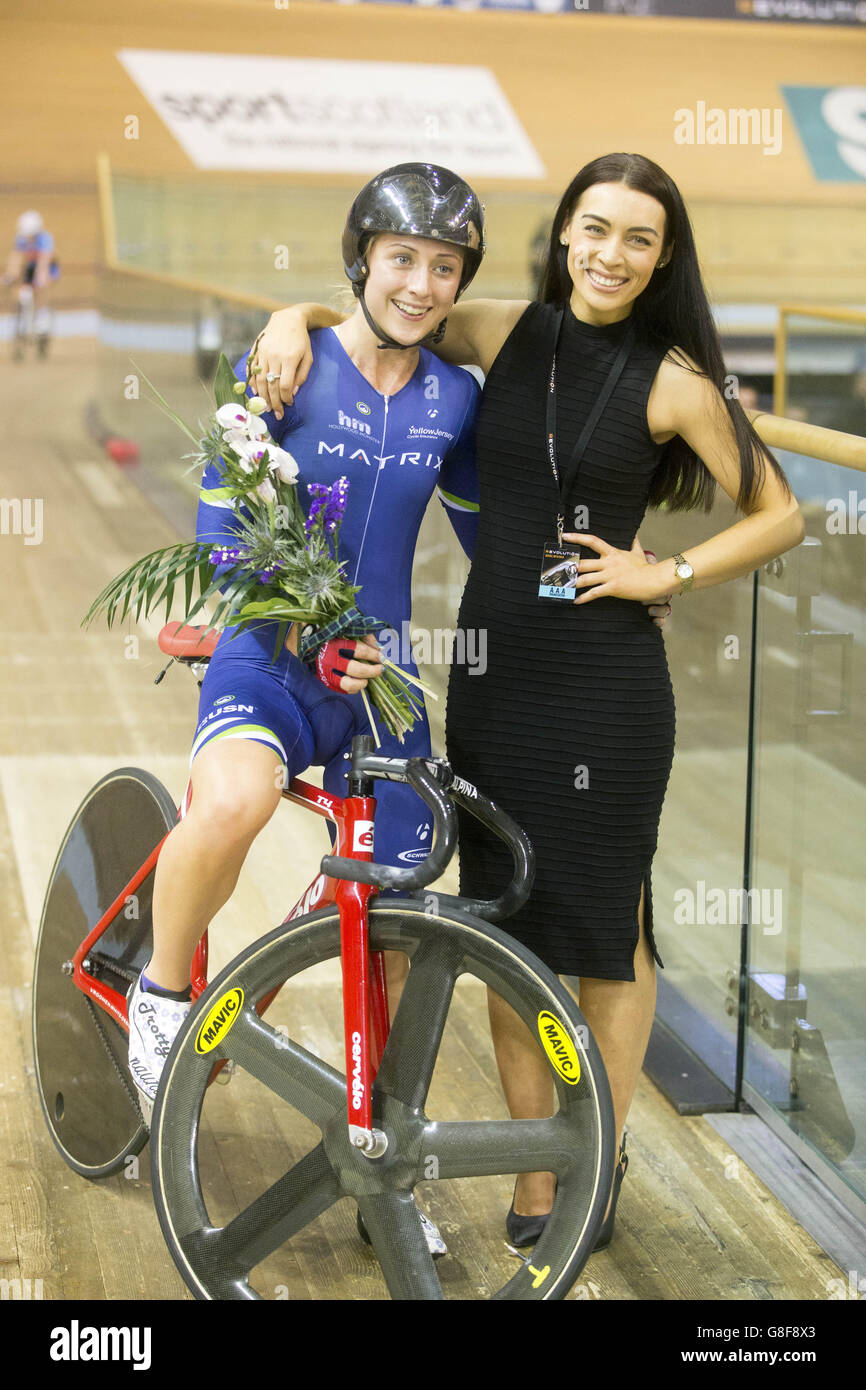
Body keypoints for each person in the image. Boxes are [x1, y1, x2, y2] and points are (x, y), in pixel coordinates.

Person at [246, 151, 805, 1253]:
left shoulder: (675, 377)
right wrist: (288, 312)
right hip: (496, 684)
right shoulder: (502, 327)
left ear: (661, 257)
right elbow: (385, 306)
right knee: (508, 922)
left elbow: (777, 513)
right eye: (592, 230)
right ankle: (535, 1161)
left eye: (637, 239)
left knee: (605, 931)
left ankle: (591, 1147)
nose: (609, 254)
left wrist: (665, 574)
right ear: (562, 235)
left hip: (606, 690)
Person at [126, 163, 490, 1255]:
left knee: (401, 926)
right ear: (361, 261)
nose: (422, 285)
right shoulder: (288, 362)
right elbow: (221, 526)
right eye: (402, 260)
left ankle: (387, 1158)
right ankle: (161, 994)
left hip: (379, 682)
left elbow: (494, 543)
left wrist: (601, 591)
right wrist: (290, 625)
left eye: (444, 267)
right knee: (232, 801)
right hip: (272, 663)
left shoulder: (454, 399)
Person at [1, 210, 61, 349]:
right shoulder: (20, 238)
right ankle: (23, 318)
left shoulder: (45, 239)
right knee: (20, 286)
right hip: (30, 266)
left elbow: (44, 260)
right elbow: (16, 257)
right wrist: (10, 275)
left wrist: (41, 278)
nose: (28, 238)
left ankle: (42, 316)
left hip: (47, 265)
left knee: (41, 286)